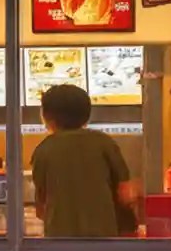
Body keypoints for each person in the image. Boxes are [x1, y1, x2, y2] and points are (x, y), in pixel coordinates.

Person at [31, 85, 136, 238]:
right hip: (104, 239)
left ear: (46, 116)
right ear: (87, 115)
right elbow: (125, 193)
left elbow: (41, 207)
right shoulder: (104, 143)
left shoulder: (43, 149)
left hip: (59, 241)